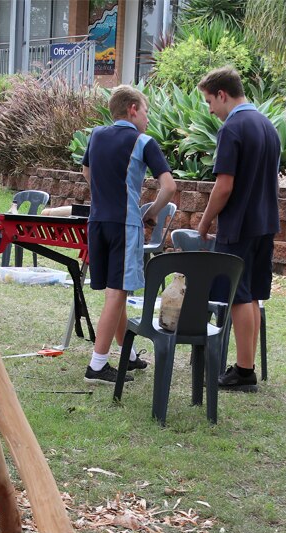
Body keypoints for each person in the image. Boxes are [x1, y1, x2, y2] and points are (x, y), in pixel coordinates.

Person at [81, 85, 177, 385]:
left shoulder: (96, 135)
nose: (147, 118)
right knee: (118, 293)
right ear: (133, 109)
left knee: (115, 290)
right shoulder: (144, 141)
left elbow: (86, 172)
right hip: (125, 224)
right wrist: (150, 212)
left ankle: (129, 354)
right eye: (146, 112)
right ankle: (97, 365)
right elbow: (169, 186)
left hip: (97, 222)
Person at [195, 67, 281, 393]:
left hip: (240, 224)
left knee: (237, 296)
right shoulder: (267, 125)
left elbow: (224, 187)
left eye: (209, 101)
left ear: (222, 94)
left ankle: (244, 372)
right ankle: (247, 365)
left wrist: (204, 222)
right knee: (253, 295)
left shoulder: (232, 127)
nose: (210, 110)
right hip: (266, 223)